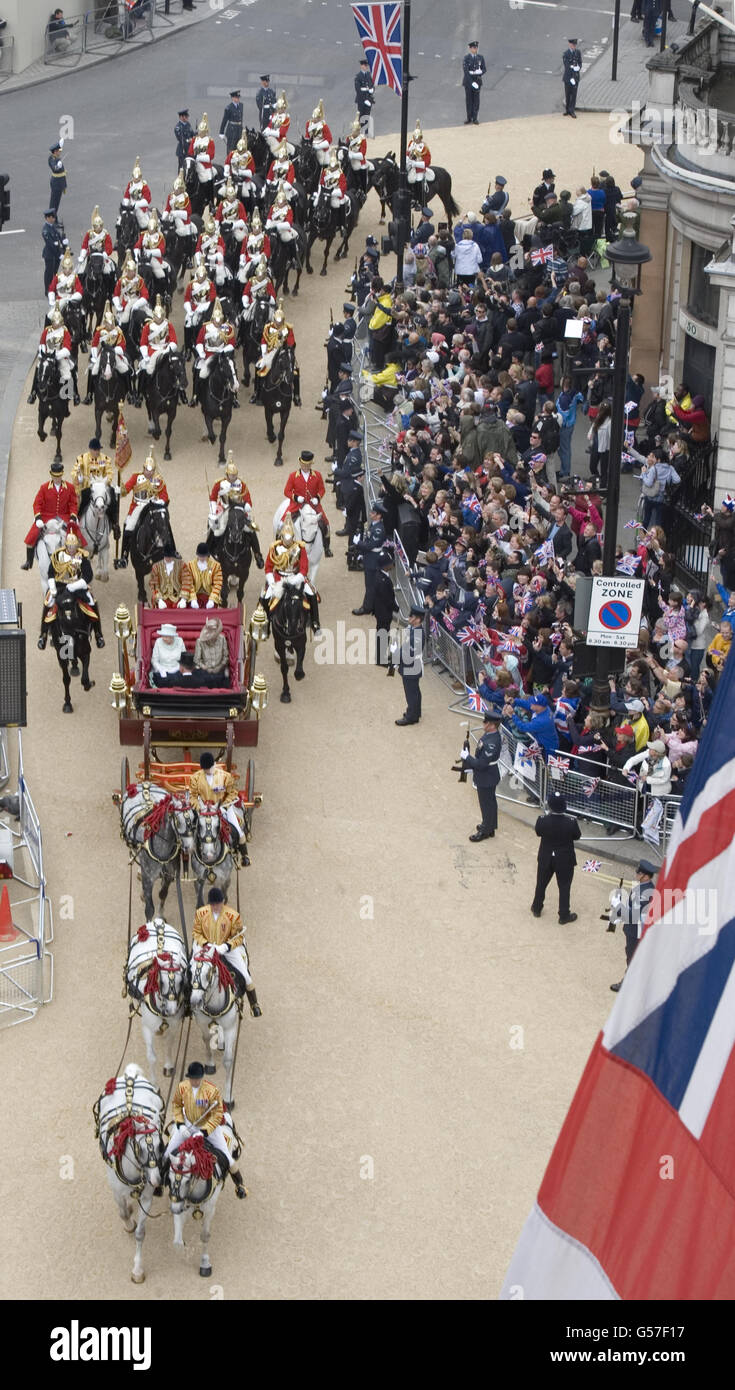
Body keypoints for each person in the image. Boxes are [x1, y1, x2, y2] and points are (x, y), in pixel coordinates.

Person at [166, 1061, 247, 1198]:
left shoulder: (212, 1091)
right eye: (192, 1078)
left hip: (209, 1129)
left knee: (227, 1157)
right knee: (167, 1153)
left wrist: (203, 1132)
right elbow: (177, 1106)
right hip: (187, 1125)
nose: (195, 1081)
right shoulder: (182, 1087)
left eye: (197, 1079)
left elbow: (217, 1115)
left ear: (202, 1077)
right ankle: (162, 1183)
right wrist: (181, 1125)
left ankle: (240, 1185)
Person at [192, 887, 261, 1015]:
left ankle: (254, 1004)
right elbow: (196, 933)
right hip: (206, 948)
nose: (215, 907)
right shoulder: (200, 913)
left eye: (218, 904)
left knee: (246, 976)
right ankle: (187, 1000)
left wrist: (227, 946)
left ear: (222, 902)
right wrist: (206, 944)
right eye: (212, 904)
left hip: (227, 949)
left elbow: (239, 936)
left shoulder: (233, 916)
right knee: (192, 971)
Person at [39, 530, 105, 649]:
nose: (71, 549)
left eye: (74, 547)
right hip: (60, 585)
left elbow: (88, 575)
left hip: (77, 586)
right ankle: (43, 635)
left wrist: (76, 585)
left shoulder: (82, 556)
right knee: (48, 602)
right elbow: (51, 573)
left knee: (92, 601)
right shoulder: (58, 556)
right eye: (69, 546)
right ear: (66, 545)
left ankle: (98, 634)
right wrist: (52, 587)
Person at [21, 460, 84, 569]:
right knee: (31, 536)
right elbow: (37, 503)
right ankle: (28, 562)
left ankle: (79, 560)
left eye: (59, 476)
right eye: (55, 477)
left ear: (62, 475)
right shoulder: (44, 487)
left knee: (77, 536)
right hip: (46, 516)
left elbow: (73, 503)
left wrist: (73, 516)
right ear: (51, 475)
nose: (57, 479)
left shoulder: (69, 487)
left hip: (63, 516)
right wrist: (38, 517)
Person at [263, 515, 320, 632]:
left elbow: (304, 567)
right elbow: (268, 567)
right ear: (281, 536)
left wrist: (297, 578)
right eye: (285, 538)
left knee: (312, 594)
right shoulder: (274, 548)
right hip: (279, 578)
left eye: (290, 538)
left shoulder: (300, 547)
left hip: (295, 577)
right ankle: (265, 624)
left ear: (293, 536)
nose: (287, 541)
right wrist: (271, 581)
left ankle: (315, 623)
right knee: (265, 596)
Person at [530, 791, 580, 923]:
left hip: (546, 857)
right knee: (564, 887)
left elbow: (538, 832)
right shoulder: (571, 822)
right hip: (564, 859)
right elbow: (577, 836)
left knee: (541, 883)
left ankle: (536, 908)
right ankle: (564, 915)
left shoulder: (542, 820)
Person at [610, 860, 657, 991]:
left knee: (632, 958)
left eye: (639, 872)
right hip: (635, 929)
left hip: (636, 932)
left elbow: (633, 915)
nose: (636, 874)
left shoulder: (644, 893)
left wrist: (618, 906)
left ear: (646, 876)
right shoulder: (645, 888)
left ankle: (628, 984)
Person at [120, 451, 169, 567]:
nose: (149, 472)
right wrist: (119, 489)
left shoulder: (158, 480)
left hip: (152, 506)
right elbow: (126, 489)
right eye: (147, 470)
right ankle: (124, 556)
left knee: (164, 524)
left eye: (151, 470)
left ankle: (170, 550)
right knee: (128, 527)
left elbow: (164, 496)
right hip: (138, 506)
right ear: (143, 469)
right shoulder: (136, 477)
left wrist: (160, 502)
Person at [459, 710, 502, 841]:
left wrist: (468, 758)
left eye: (486, 722)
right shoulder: (490, 734)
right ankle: (490, 827)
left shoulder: (492, 742)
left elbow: (482, 764)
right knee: (490, 803)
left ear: (492, 725)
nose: (483, 724)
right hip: (487, 774)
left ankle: (486, 830)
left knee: (486, 804)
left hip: (486, 776)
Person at [283, 450, 331, 556]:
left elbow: (322, 490)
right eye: (304, 464)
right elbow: (286, 491)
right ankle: (281, 545)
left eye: (308, 465)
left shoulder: (317, 475)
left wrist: (317, 498)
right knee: (282, 523)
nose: (305, 467)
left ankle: (327, 548)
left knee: (326, 524)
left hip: (313, 505)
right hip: (297, 505)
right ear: (300, 463)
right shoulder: (293, 476)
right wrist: (295, 497)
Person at [27, 309, 78, 405]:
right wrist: (43, 353)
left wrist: (57, 355)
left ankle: (73, 393)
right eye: (55, 322)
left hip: (59, 355)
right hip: (47, 355)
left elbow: (67, 348)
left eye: (58, 322)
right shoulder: (47, 330)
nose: (56, 324)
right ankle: (33, 393)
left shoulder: (65, 332)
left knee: (68, 371)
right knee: (38, 368)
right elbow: (42, 342)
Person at [84, 301, 130, 403]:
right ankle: (89, 394)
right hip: (103, 353)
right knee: (93, 369)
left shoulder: (118, 331)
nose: (110, 325)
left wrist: (117, 350)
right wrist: (95, 356)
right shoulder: (100, 331)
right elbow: (95, 344)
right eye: (108, 323)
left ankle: (130, 393)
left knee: (125, 369)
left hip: (115, 353)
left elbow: (122, 344)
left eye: (111, 323)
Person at [352, 501, 387, 615]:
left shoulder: (378, 529)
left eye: (373, 512)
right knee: (371, 584)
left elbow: (371, 545)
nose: (371, 514)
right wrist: (362, 552)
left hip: (374, 560)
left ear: (379, 515)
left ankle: (367, 607)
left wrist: (358, 543)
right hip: (369, 556)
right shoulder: (373, 524)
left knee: (370, 585)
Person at [395, 605, 425, 726]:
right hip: (412, 666)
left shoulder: (417, 635)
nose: (409, 618)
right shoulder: (414, 629)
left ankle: (412, 716)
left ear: (418, 619)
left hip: (411, 666)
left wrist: (396, 654)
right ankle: (416, 711)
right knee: (415, 690)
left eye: (411, 616)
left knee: (411, 692)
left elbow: (409, 654)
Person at [372, 551, 398, 666]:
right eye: (390, 563)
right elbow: (387, 599)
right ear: (385, 566)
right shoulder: (382, 580)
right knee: (382, 635)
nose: (392, 565)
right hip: (383, 612)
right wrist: (396, 608)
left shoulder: (381, 576)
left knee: (383, 634)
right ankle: (380, 659)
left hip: (381, 611)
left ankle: (380, 656)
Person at [77, 205, 115, 279]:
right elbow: (85, 245)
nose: (98, 228)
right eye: (97, 226)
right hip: (90, 255)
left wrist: (105, 253)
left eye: (100, 226)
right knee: (80, 270)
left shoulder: (105, 234)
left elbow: (109, 246)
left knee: (109, 270)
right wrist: (82, 256)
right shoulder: (89, 233)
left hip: (102, 256)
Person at [150, 543, 188, 608]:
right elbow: (154, 585)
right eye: (167, 557)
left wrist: (183, 599)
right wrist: (159, 600)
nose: (168, 559)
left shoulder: (182, 565)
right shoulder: (156, 567)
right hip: (163, 598)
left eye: (170, 556)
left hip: (177, 598)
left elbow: (187, 581)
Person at [186, 542, 223, 608]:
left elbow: (218, 583)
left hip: (209, 594)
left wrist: (212, 599)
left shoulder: (216, 566)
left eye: (204, 556)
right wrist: (193, 599)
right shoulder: (190, 565)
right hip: (195, 594)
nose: (202, 558)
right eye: (200, 556)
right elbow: (189, 583)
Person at [121, 157, 152, 231]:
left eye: (137, 178)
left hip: (140, 207)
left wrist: (137, 205)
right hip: (130, 207)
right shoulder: (130, 184)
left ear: (140, 177)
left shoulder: (144, 186)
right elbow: (126, 196)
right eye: (134, 177)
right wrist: (125, 205)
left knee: (144, 223)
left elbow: (147, 200)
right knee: (120, 221)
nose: (136, 179)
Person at [41, 209, 67, 296]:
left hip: (56, 255)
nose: (53, 219)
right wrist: (59, 254)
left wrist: (64, 242)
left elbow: (58, 237)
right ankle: (48, 290)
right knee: (49, 273)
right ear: (47, 218)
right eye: (52, 217)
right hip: (50, 255)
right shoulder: (46, 230)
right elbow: (51, 245)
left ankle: (53, 288)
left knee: (55, 272)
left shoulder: (52, 227)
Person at [462, 40, 487, 125]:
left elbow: (484, 69)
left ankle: (475, 118)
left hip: (477, 81)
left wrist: (479, 72)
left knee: (476, 101)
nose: (475, 49)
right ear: (470, 49)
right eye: (473, 48)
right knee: (469, 100)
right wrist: (471, 82)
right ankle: (469, 117)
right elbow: (466, 71)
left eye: (476, 48)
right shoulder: (466, 58)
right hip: (469, 82)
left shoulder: (480, 57)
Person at [187, 113, 216, 187]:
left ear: (206, 132)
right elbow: (190, 152)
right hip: (194, 163)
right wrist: (193, 157)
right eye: (200, 131)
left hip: (205, 165)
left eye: (202, 132)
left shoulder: (210, 141)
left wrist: (198, 157)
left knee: (207, 178)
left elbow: (210, 156)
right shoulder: (194, 139)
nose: (200, 133)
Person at [305, 100, 333, 166]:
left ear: (320, 118)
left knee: (324, 163)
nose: (314, 119)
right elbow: (307, 135)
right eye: (314, 117)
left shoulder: (324, 126)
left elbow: (329, 139)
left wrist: (319, 146)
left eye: (316, 118)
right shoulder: (308, 123)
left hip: (320, 147)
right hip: (311, 145)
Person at [355, 57, 376, 138]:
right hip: (361, 100)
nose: (365, 67)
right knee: (361, 115)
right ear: (361, 66)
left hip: (369, 99)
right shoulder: (358, 77)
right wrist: (364, 100)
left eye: (366, 66)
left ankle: (366, 131)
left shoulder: (368, 75)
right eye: (364, 65)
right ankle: (359, 131)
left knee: (367, 115)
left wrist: (372, 90)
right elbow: (358, 90)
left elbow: (372, 84)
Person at [562, 38, 582, 118]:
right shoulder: (566, 54)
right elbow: (567, 66)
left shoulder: (578, 52)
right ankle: (567, 110)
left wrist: (578, 67)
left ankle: (572, 110)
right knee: (567, 94)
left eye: (575, 45)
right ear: (569, 45)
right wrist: (573, 68)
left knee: (574, 95)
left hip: (575, 77)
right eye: (573, 45)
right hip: (568, 77)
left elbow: (580, 62)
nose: (574, 46)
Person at [218, 90, 243, 154]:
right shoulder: (229, 108)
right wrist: (221, 132)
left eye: (238, 97)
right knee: (231, 150)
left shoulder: (241, 105)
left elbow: (241, 119)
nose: (238, 99)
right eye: (236, 97)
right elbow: (224, 120)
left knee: (239, 148)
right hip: (232, 131)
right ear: (232, 98)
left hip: (239, 130)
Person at [48, 139, 67, 215]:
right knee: (54, 203)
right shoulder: (52, 159)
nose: (60, 152)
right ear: (55, 151)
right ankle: (51, 219)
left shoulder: (56, 158)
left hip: (59, 183)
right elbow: (54, 168)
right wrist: (57, 167)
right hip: (56, 183)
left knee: (57, 203)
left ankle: (55, 219)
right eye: (59, 150)